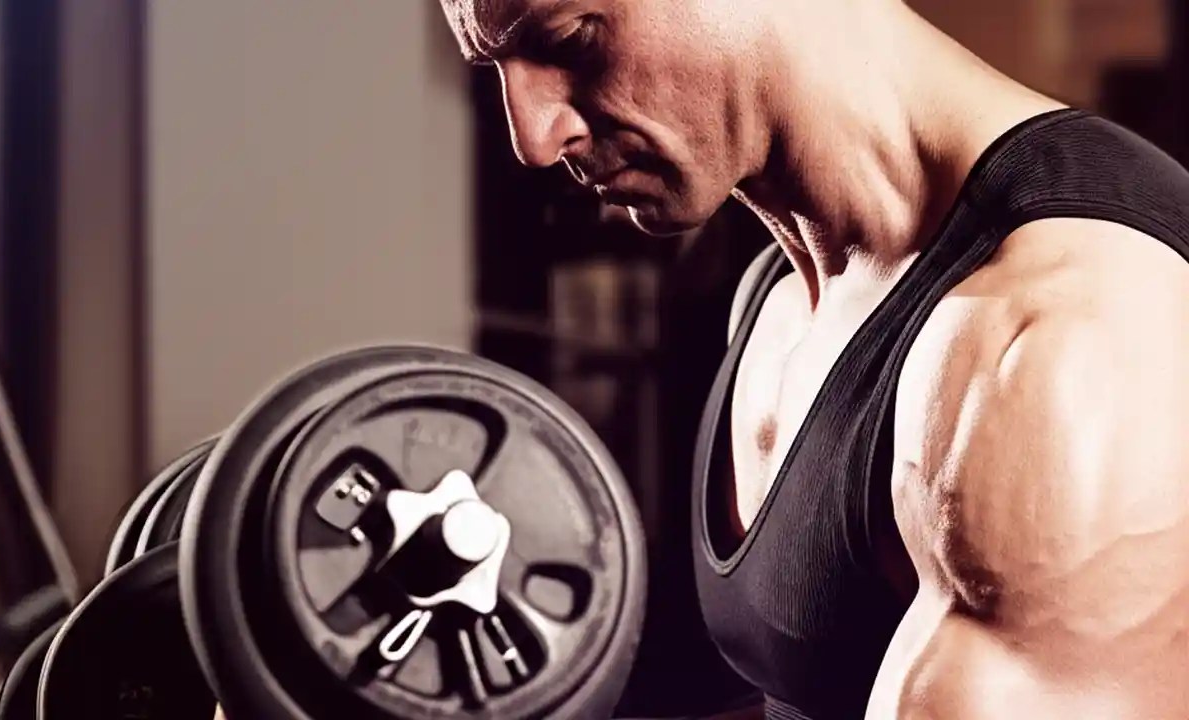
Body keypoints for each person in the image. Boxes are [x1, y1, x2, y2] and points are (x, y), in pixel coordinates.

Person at [438, 1, 1189, 718]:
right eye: (496, 69)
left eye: (570, 41)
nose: (532, 138)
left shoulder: (1059, 343)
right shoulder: (776, 287)